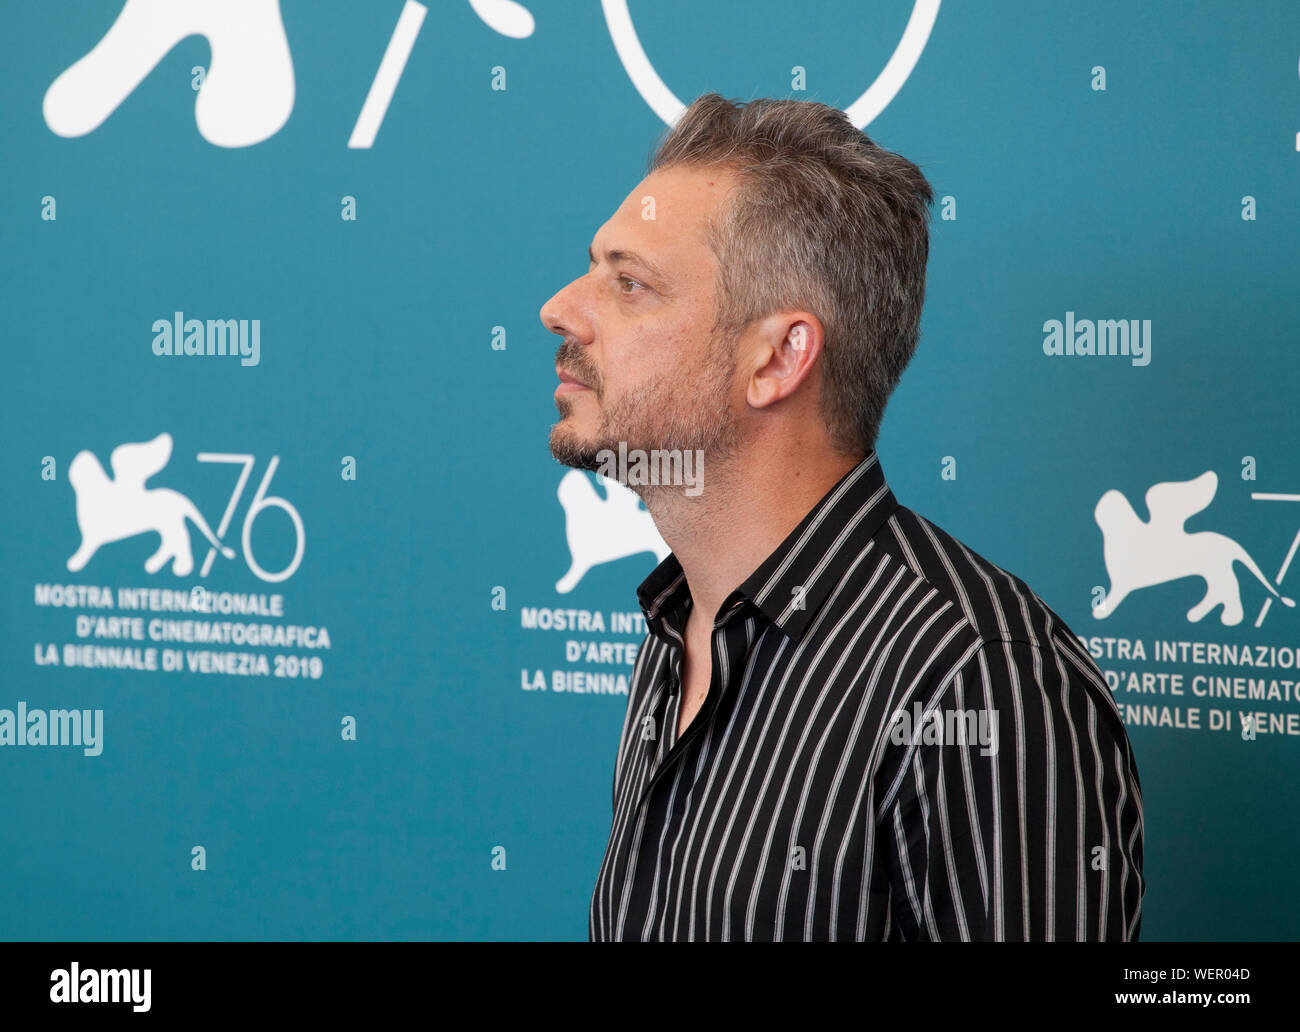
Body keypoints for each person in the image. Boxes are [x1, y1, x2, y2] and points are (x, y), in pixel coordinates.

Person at [540, 92, 1144, 942]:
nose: (561, 309)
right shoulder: (680, 626)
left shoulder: (973, 678)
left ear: (780, 358)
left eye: (630, 283)